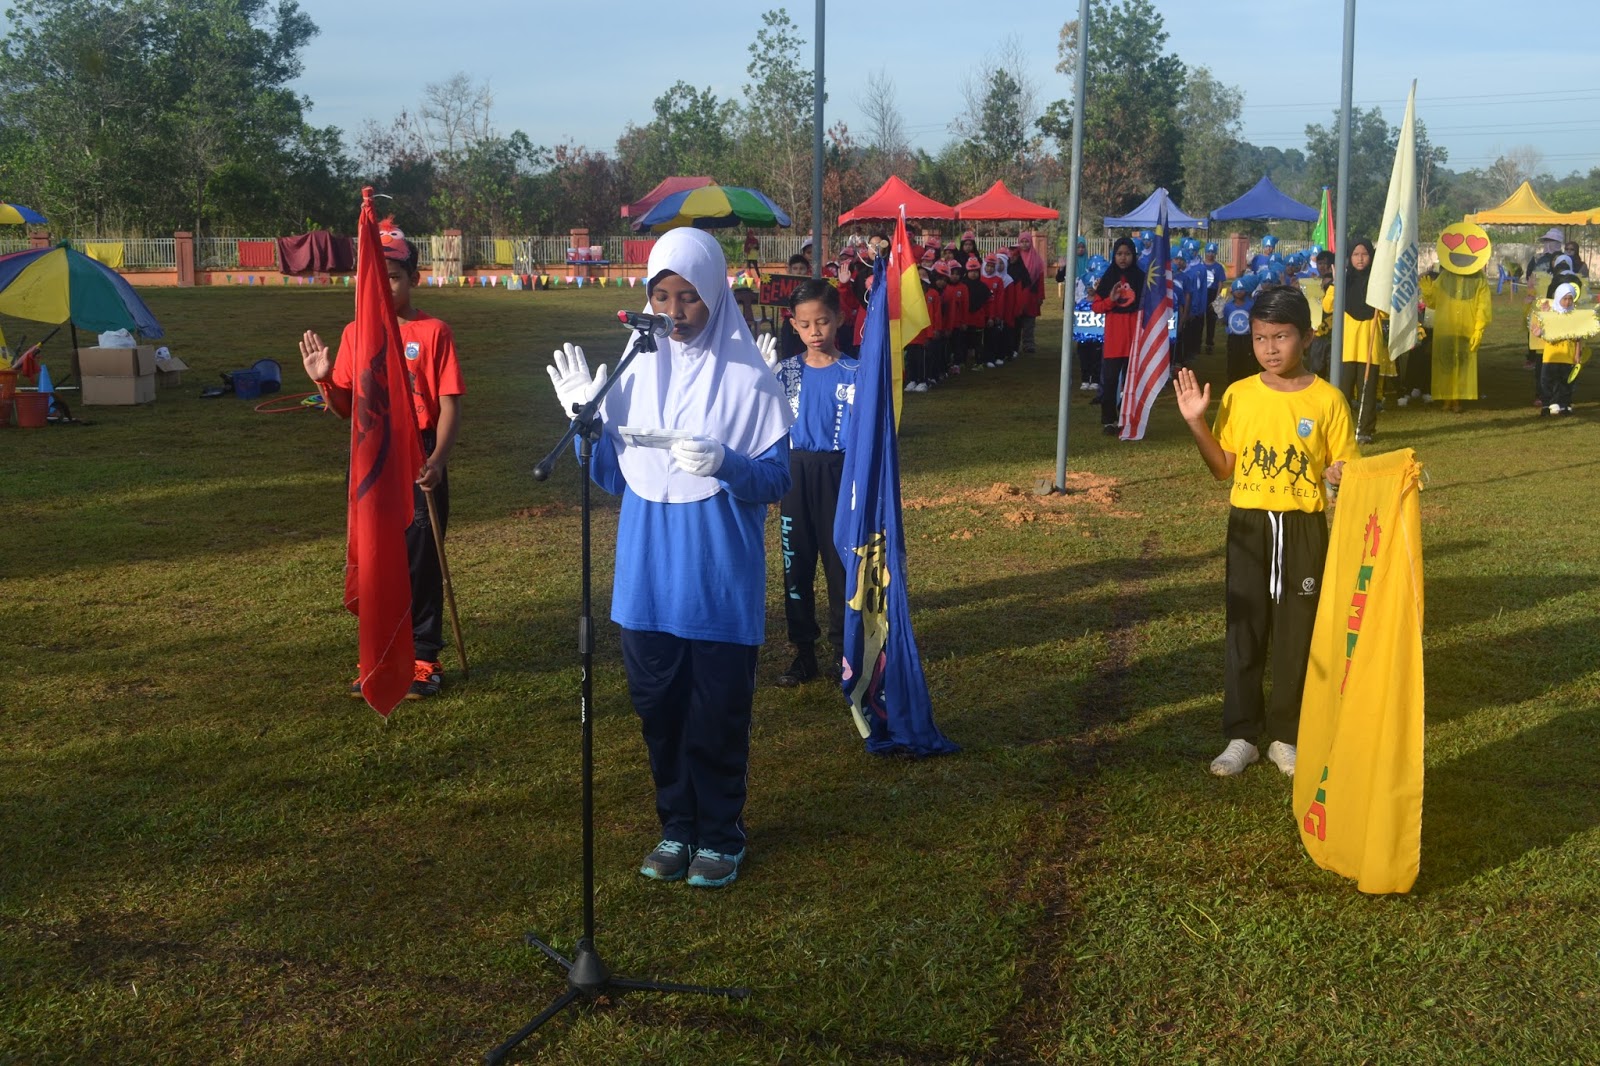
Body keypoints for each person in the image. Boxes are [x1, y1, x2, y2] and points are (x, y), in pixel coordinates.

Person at [545, 227, 792, 889]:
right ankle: (676, 826)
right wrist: (585, 427)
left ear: (715, 295)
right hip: (646, 577)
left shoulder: (750, 379)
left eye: (689, 297)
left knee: (715, 712)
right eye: (663, 297)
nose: (675, 312)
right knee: (658, 708)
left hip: (715, 577)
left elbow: (776, 481)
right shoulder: (634, 368)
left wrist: (728, 463)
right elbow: (615, 475)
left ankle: (720, 834)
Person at [1172, 285, 1358, 778]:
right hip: (1250, 525)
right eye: (1259, 338)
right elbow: (1222, 470)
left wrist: (1340, 475)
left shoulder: (1329, 400)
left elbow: (1345, 467)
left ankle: (1287, 735)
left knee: (1298, 633)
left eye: (1282, 337)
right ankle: (1241, 735)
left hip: (1303, 527)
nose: (1270, 348)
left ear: (1309, 337)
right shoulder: (1239, 395)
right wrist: (1197, 424)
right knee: (1245, 629)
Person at [298, 220, 464, 701]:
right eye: (374, 277)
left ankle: (424, 658)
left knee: (421, 555)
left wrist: (437, 458)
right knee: (375, 556)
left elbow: (450, 403)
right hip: (373, 457)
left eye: (393, 276)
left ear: (413, 278)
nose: (384, 286)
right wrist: (324, 380)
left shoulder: (434, 332)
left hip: (419, 455)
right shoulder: (355, 334)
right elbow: (348, 411)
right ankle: (379, 655)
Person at [771, 280, 857, 686]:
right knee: (796, 565)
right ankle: (802, 651)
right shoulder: (783, 373)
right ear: (794, 325)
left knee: (840, 567)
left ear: (839, 318)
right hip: (794, 475)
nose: (815, 332)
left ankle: (845, 652)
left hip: (839, 475)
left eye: (822, 321)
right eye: (805, 325)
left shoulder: (856, 373)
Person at [1092, 237, 1144, 435]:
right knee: (1111, 380)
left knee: (1132, 382)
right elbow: (1096, 307)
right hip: (1115, 340)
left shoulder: (1140, 278)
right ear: (1114, 255)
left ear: (1134, 255)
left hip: (1134, 340)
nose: (1123, 258)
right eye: (1119, 254)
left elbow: (1149, 307)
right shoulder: (1108, 277)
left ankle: (1127, 417)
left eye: (1127, 254)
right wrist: (1111, 300)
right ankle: (1109, 420)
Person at [1337, 238, 1383, 444]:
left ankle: (1365, 429)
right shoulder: (1344, 281)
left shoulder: (1378, 282)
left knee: (1367, 388)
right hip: (1347, 345)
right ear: (1349, 257)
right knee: (1343, 389)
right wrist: (1334, 283)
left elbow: (1387, 311)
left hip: (1369, 343)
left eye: (1364, 254)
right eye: (1355, 254)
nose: (1360, 258)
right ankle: (1342, 429)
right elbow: (1329, 306)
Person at [1533, 282, 1583, 416]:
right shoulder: (1550, 314)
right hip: (1551, 355)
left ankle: (1565, 405)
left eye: (1570, 299)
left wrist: (1577, 355)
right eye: (1564, 299)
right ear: (1558, 297)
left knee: (1566, 383)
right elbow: (1539, 331)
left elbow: (1579, 338)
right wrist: (1540, 324)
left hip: (1568, 356)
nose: (1567, 302)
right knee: (1547, 382)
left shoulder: (1574, 316)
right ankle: (1546, 406)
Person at [1016, 231, 1047, 353]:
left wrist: (1040, 296)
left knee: (1029, 322)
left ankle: (1028, 344)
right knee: (1017, 321)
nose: (1024, 244)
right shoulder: (1015, 257)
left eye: (1026, 241)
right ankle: (1014, 344)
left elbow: (1040, 279)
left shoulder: (1037, 260)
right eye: (1022, 242)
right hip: (1018, 293)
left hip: (1032, 295)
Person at [1221, 280, 1255, 383]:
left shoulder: (1252, 305)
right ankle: (1232, 383)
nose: (1239, 292)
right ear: (1232, 292)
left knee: (1248, 362)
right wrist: (1220, 315)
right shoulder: (1227, 306)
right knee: (1233, 361)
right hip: (1233, 338)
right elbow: (1225, 322)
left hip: (1248, 337)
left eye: (1241, 289)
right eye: (1237, 290)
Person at [1198, 242, 1227, 352]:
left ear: (1215, 253)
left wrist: (1217, 298)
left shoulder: (1218, 267)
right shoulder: (1201, 265)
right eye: (1208, 252)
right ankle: (1197, 342)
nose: (1210, 254)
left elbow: (1220, 282)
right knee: (1200, 319)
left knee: (1211, 320)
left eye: (1213, 252)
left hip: (1212, 293)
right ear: (1205, 252)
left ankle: (1209, 343)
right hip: (1201, 294)